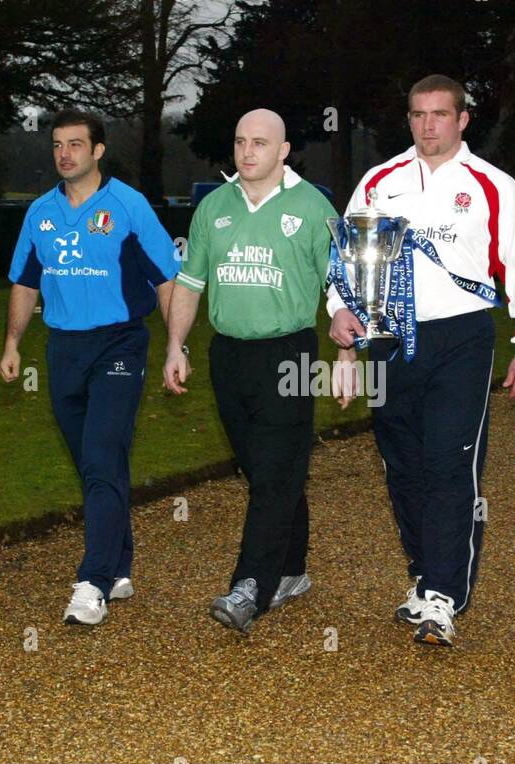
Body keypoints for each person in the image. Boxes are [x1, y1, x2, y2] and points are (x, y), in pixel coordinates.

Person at [330, 74, 515, 647]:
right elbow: (349, 256)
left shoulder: (492, 185)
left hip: (461, 339)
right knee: (402, 463)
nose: (429, 125)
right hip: (389, 338)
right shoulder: (379, 183)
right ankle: (424, 579)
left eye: (440, 115)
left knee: (450, 463)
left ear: (462, 119)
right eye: (419, 114)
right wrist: (339, 316)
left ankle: (446, 595)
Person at [0, 109, 180, 626]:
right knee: (94, 461)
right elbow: (24, 281)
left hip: (119, 344)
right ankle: (119, 563)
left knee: (101, 455)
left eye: (76, 144)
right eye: (58, 145)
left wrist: (175, 348)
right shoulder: (39, 213)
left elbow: (168, 277)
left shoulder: (128, 205)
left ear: (98, 151)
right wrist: (13, 343)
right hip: (63, 349)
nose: (65, 154)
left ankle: (93, 581)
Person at [164, 109, 337, 634]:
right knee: (269, 471)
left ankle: (249, 588)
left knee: (274, 472)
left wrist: (347, 354)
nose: (247, 152)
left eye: (260, 143)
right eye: (240, 141)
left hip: (291, 353)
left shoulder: (312, 207)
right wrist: (176, 346)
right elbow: (190, 284)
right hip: (229, 355)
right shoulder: (213, 206)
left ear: (283, 150)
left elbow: (342, 288)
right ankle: (291, 569)